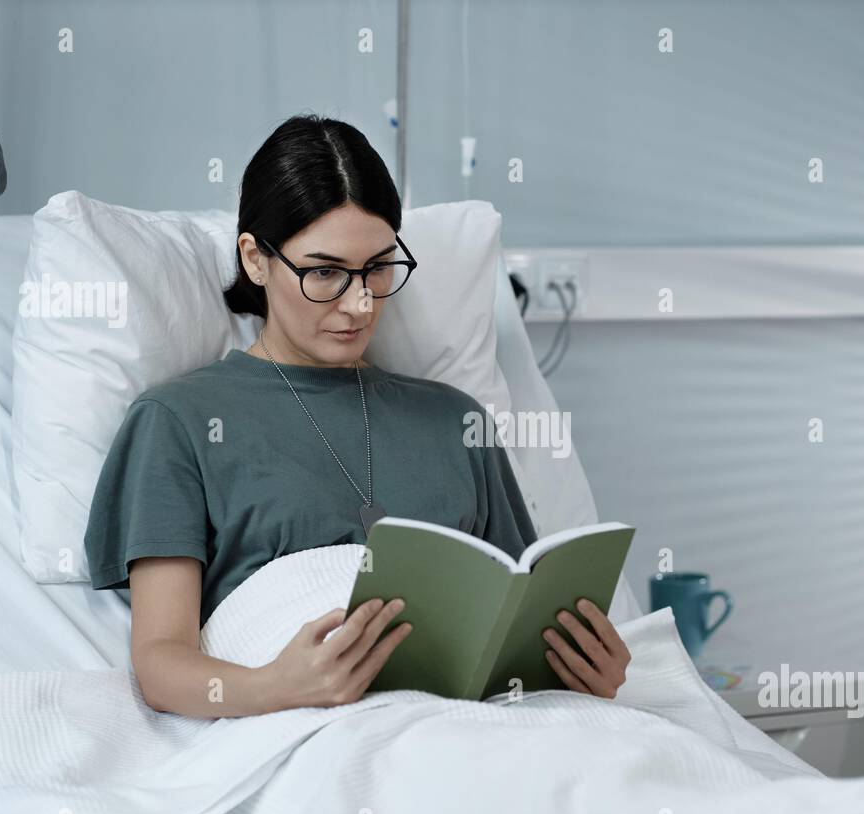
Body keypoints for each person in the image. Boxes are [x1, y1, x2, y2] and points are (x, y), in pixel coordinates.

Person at [83, 114, 629, 717]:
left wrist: (583, 673)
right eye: (325, 273)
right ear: (256, 260)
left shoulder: (456, 422)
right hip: (300, 727)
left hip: (474, 728)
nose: (360, 302)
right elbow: (161, 662)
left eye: (377, 268)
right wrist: (277, 687)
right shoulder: (179, 421)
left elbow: (513, 623)